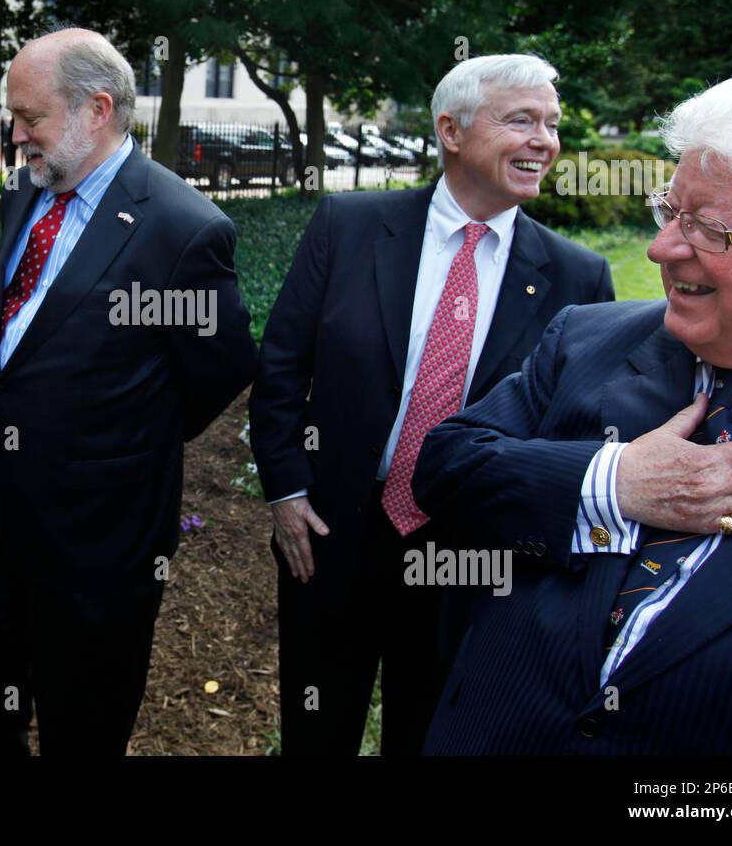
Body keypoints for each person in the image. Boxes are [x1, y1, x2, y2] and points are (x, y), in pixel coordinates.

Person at [415, 65, 732, 754]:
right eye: (669, 210)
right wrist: (614, 482)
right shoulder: (590, 339)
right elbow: (445, 469)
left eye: (709, 230)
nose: (662, 248)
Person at [249, 54, 615, 755]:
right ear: (451, 129)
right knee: (316, 730)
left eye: (552, 123)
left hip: (473, 556)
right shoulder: (349, 226)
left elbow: (580, 432)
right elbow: (282, 365)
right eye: (521, 120)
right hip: (333, 535)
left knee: (433, 736)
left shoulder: (576, 276)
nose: (545, 139)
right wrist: (287, 488)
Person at [0, 27, 257, 756]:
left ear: (97, 109)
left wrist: (123, 440)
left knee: (82, 732)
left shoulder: (182, 230)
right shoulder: (26, 193)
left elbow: (220, 366)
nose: (16, 134)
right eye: (12, 117)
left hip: (101, 552)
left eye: (30, 117)